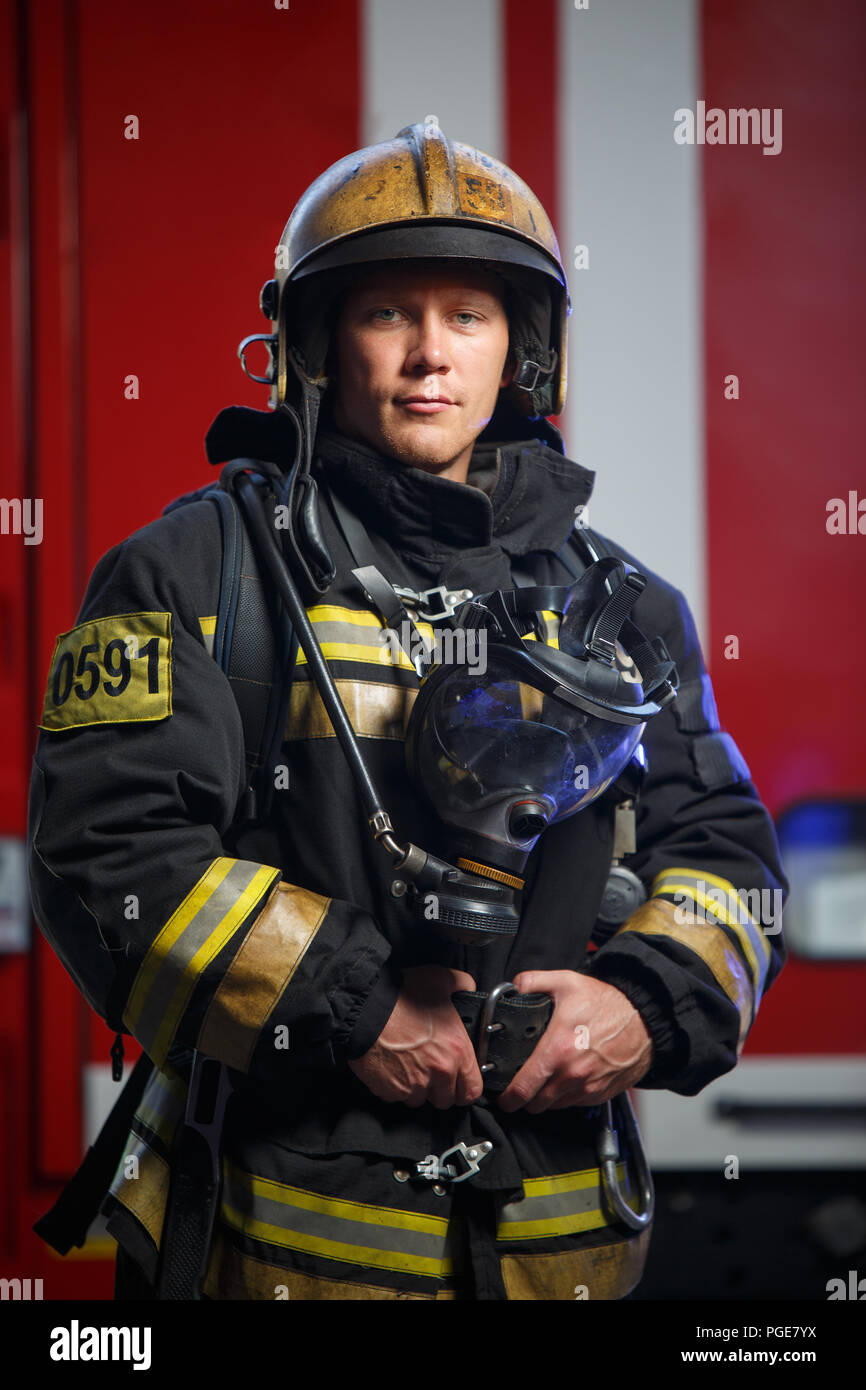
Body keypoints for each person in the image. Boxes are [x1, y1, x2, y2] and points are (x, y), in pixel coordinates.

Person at [28, 120, 787, 1302]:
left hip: (561, 1259)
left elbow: (728, 863)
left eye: (468, 317)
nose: (429, 356)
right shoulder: (197, 576)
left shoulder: (626, 610)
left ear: (520, 352)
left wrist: (641, 1004)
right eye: (387, 313)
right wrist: (357, 1008)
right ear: (316, 343)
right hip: (263, 1252)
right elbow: (106, 857)